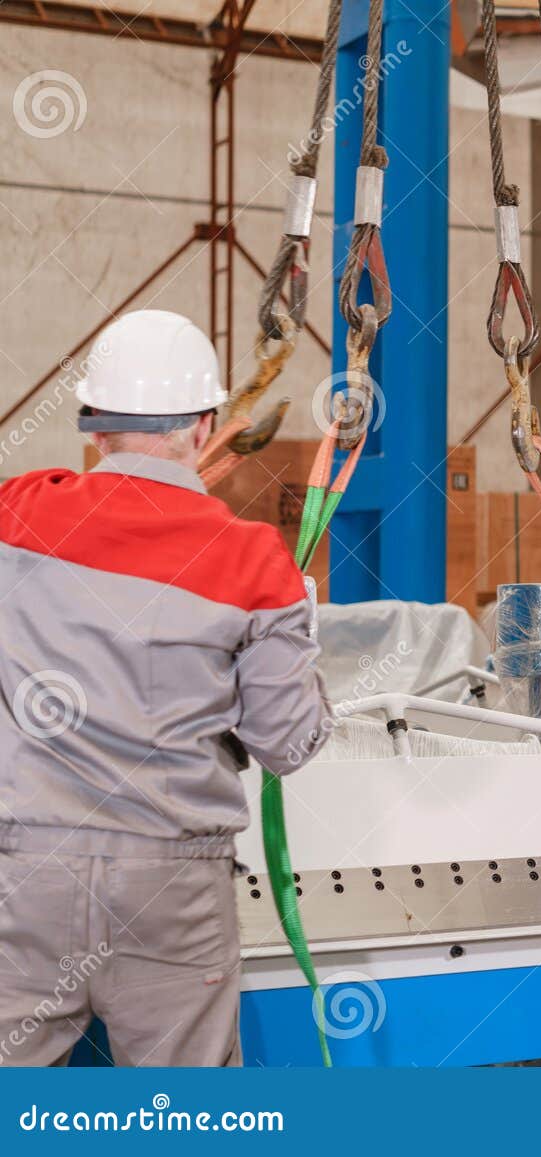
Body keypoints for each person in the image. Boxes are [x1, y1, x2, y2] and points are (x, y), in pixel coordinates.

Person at [0, 309, 330, 1066]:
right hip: (171, 891)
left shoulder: (17, 515)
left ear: (94, 426)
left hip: (27, 877)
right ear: (206, 424)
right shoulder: (255, 562)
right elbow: (288, 744)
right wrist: (300, 636)